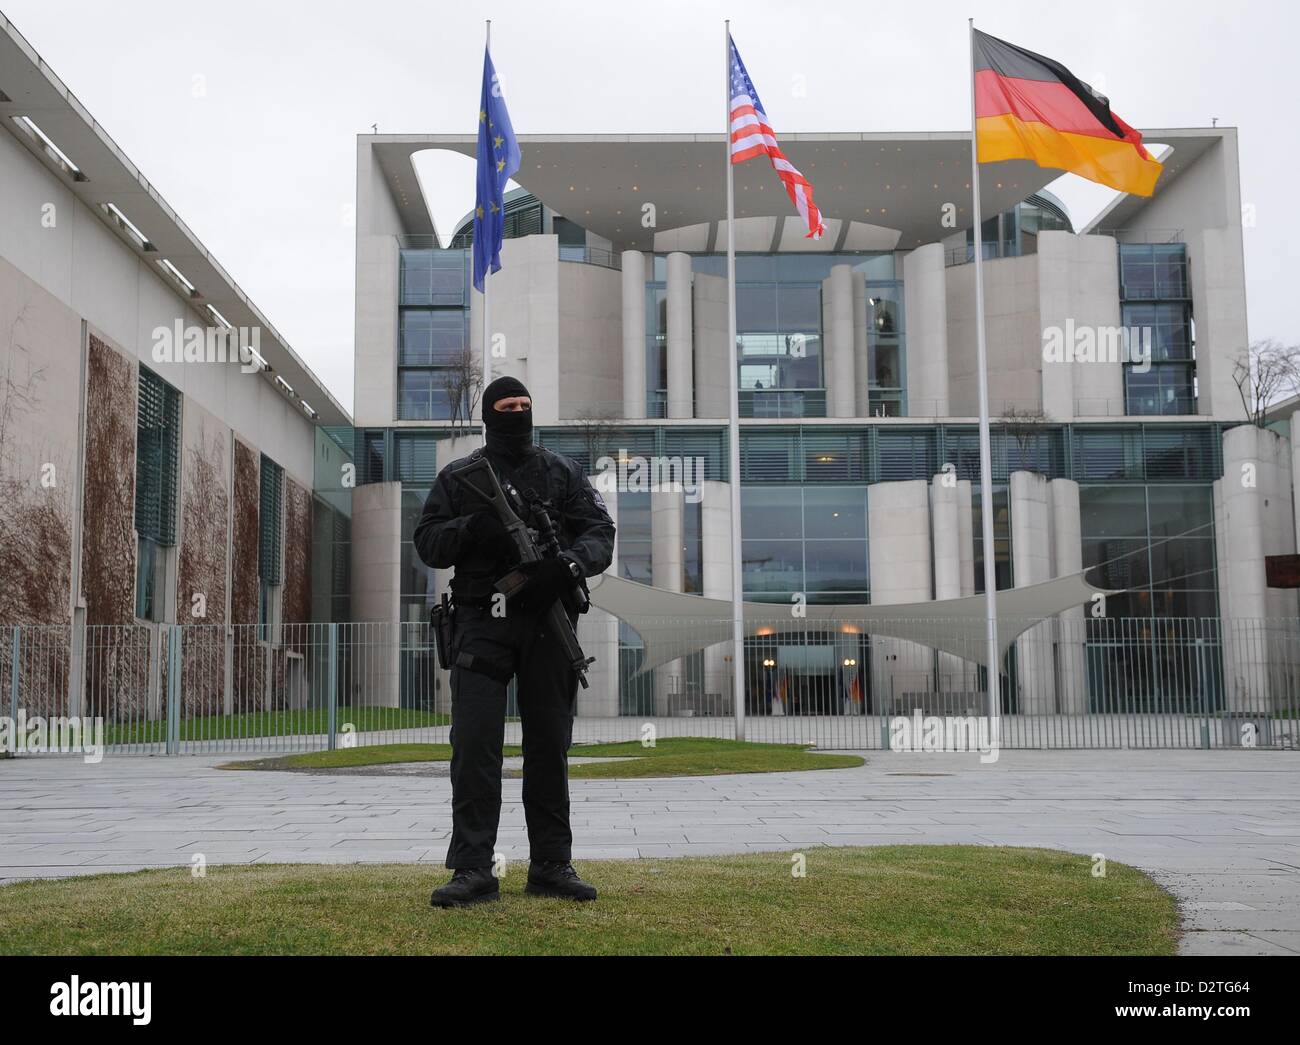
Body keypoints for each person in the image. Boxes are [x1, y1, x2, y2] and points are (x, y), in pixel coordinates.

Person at [414, 376, 615, 908]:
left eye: (526, 405)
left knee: (549, 745)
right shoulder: (460, 477)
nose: (519, 412)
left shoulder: (561, 472)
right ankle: (473, 868)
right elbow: (428, 541)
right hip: (483, 621)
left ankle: (551, 864)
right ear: (489, 414)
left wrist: (567, 564)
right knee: (476, 747)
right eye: (508, 406)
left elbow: (600, 531)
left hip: (549, 622)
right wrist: (472, 529)